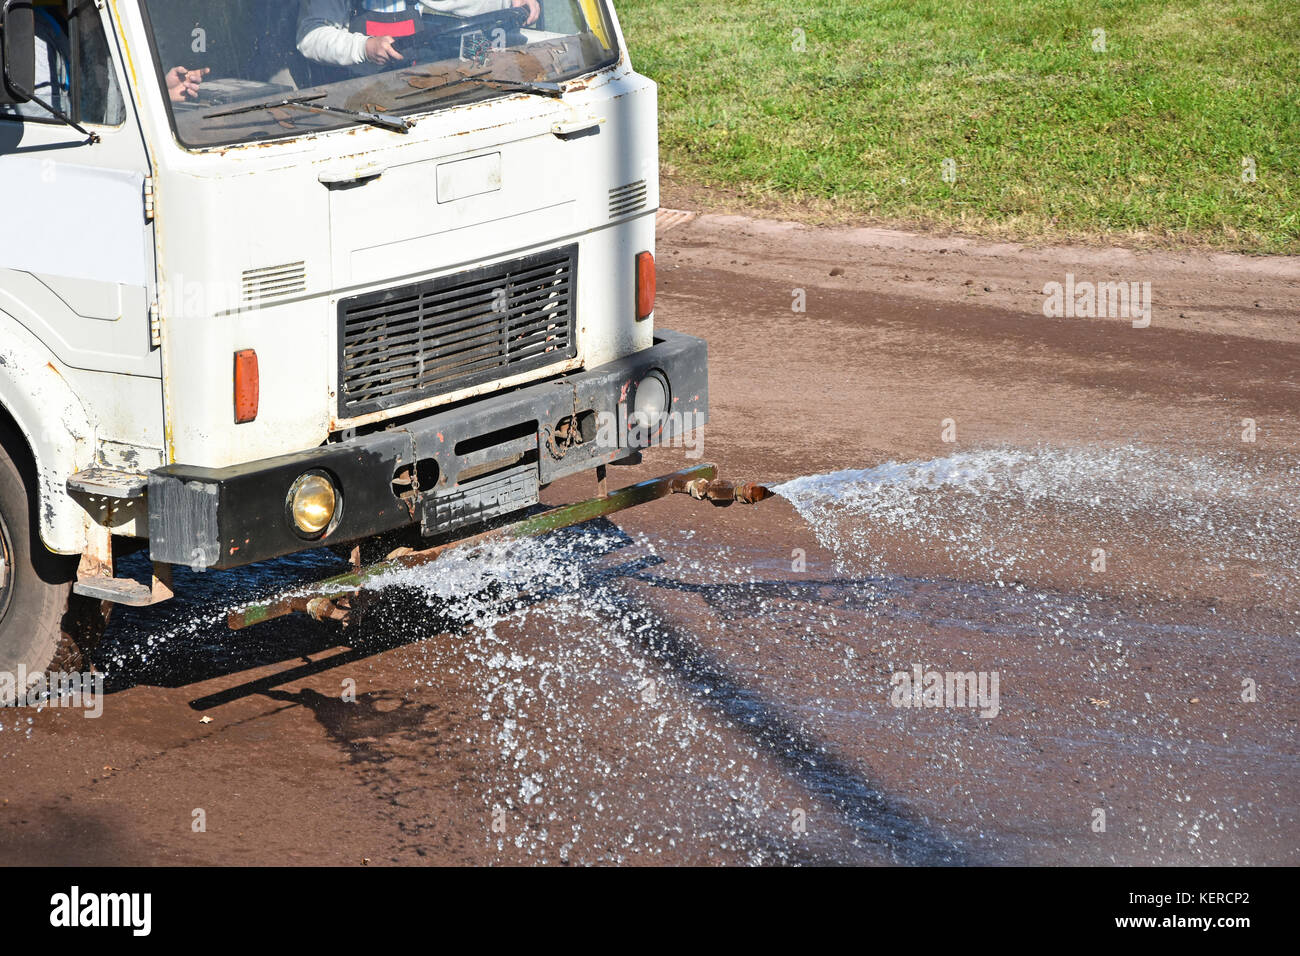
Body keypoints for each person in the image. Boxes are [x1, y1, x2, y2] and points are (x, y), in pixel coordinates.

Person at [297, 0, 541, 69]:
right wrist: (364, 48)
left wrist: (509, 2)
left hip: (426, 83)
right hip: (363, 96)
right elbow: (310, 37)